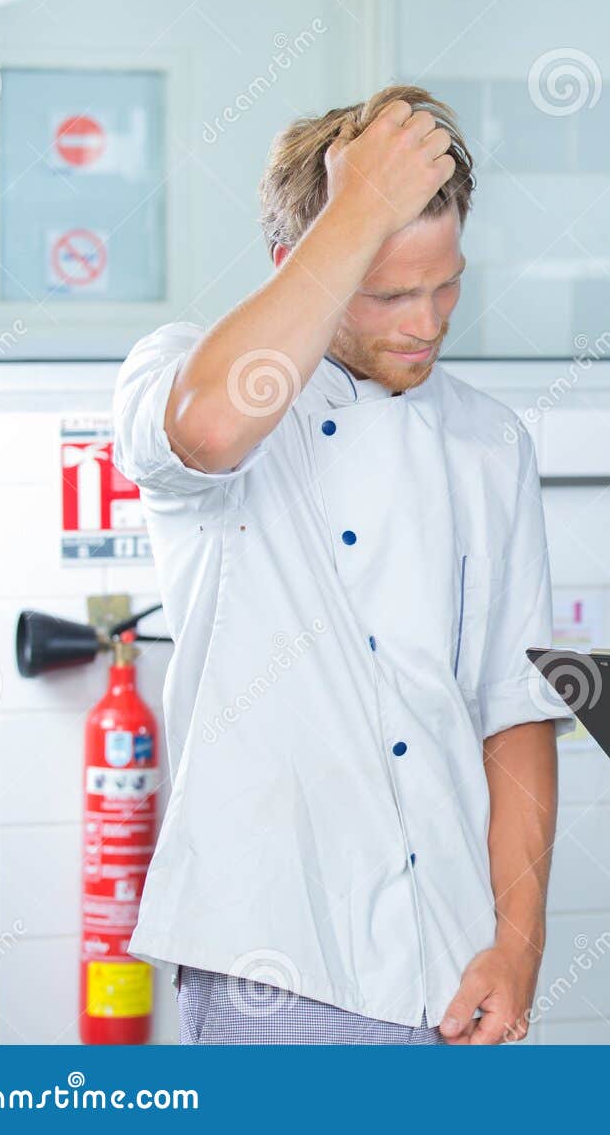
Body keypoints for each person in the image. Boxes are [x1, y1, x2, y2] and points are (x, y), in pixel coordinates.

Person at [111, 85, 570, 1044]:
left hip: (451, 962)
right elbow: (206, 427)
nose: (428, 321)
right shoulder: (191, 372)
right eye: (390, 290)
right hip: (274, 964)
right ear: (301, 262)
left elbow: (513, 709)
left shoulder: (490, 440)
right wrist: (355, 207)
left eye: (446, 284)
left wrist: (516, 945)